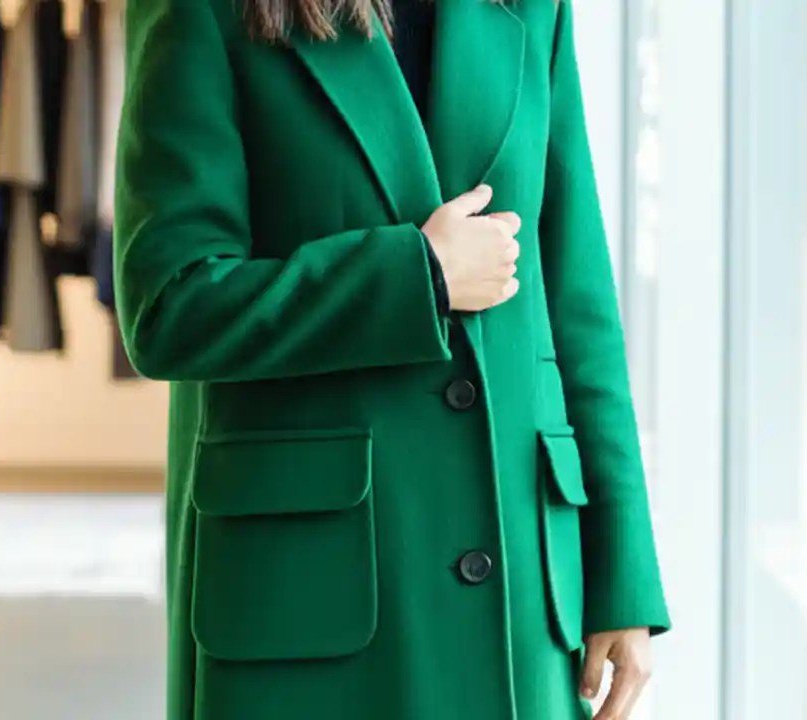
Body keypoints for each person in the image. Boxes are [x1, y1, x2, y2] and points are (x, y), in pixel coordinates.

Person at [113, 0, 671, 718]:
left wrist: (623, 575)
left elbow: (576, 298)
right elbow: (170, 306)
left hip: (521, 584)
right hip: (307, 600)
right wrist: (418, 276)